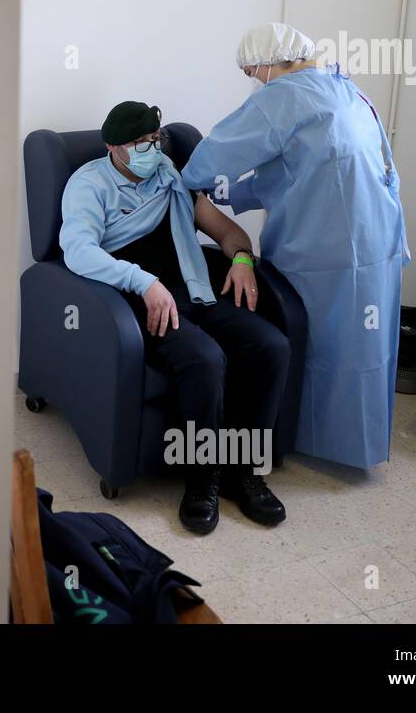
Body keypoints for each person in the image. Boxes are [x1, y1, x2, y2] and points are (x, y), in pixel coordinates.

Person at [181, 23, 409, 470]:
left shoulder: (283, 98)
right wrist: (229, 195)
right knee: (366, 344)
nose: (254, 81)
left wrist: (186, 182)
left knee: (323, 343)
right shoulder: (344, 89)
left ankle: (316, 436)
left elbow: (216, 155)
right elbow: (292, 172)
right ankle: (357, 443)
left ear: (269, 61)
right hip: (378, 234)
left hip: (326, 249)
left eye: (252, 71)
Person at [61, 101, 290, 534]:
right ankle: (202, 481)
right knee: (204, 360)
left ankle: (243, 472)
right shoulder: (89, 185)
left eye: (155, 139)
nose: (151, 148)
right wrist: (144, 282)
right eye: (138, 143)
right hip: (137, 302)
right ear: (112, 147)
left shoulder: (171, 175)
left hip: (193, 290)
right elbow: (78, 250)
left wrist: (241, 259)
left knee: (270, 346)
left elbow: (227, 232)